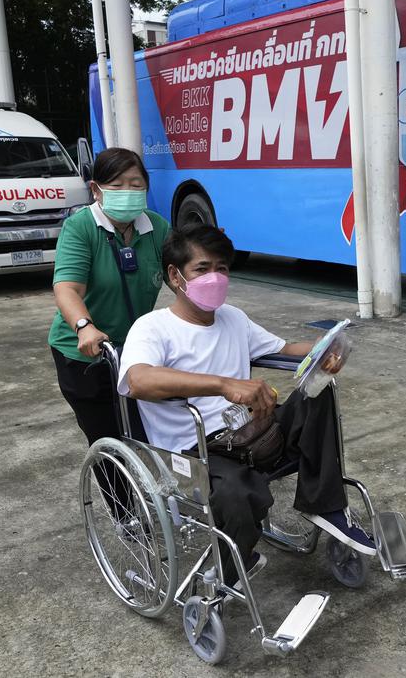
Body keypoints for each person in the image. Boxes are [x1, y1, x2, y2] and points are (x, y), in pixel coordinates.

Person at [117, 224, 375, 588]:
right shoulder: (152, 328)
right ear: (176, 276)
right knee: (240, 494)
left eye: (221, 268)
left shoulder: (233, 318)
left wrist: (326, 349)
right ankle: (231, 570)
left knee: (319, 391)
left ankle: (325, 506)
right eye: (202, 269)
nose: (215, 278)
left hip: (252, 432)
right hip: (198, 451)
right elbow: (138, 380)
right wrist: (223, 384)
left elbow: (285, 350)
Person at [49, 147, 170, 449]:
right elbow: (67, 288)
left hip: (135, 350)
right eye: (116, 186)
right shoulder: (80, 227)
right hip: (85, 353)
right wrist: (84, 326)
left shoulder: (157, 227)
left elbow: (180, 275)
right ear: (96, 189)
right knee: (109, 440)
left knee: (150, 433)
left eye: (135, 184)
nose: (127, 192)